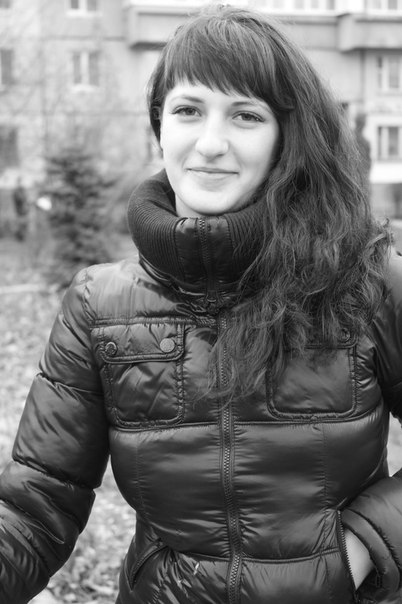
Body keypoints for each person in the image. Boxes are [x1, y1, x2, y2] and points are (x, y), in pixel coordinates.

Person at [0, 4, 401, 604]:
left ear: (285, 139)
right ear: (160, 126)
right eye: (188, 110)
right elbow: (38, 501)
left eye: (246, 115)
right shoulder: (98, 304)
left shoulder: (366, 280)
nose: (210, 143)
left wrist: (364, 546)